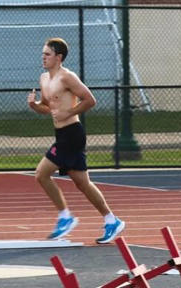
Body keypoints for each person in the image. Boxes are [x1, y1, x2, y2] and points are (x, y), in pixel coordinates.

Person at [28, 37, 126, 244]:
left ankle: (67, 217)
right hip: (61, 135)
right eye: (43, 54)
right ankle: (111, 220)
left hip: (72, 134)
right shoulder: (44, 79)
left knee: (42, 173)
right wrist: (36, 106)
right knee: (82, 183)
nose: (43, 57)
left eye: (47, 54)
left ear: (59, 57)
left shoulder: (67, 77)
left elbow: (90, 100)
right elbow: (49, 107)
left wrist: (68, 113)